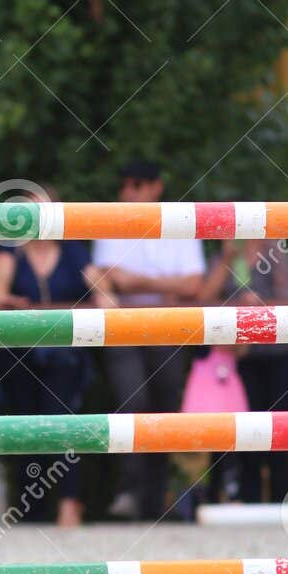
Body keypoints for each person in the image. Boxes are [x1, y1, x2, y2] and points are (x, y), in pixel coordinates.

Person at [88, 161, 205, 521]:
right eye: (124, 184)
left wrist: (135, 282)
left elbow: (193, 285)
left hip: (164, 327)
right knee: (133, 401)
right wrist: (163, 285)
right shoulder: (111, 221)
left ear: (156, 188)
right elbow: (108, 278)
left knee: (164, 411)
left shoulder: (180, 224)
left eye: (136, 184)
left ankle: (151, 501)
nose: (128, 192)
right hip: (127, 326)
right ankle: (128, 491)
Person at [0, 186, 94, 527]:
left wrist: (114, 312)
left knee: (63, 424)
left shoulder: (73, 250)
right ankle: (30, 509)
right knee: (24, 427)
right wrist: (9, 301)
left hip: (63, 351)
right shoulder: (9, 249)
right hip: (20, 350)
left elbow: (102, 288)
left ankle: (68, 504)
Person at [197, 238, 288, 503]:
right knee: (247, 430)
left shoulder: (276, 251)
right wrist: (227, 261)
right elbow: (205, 298)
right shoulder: (221, 259)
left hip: (282, 350)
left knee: (280, 428)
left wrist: (259, 304)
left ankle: (281, 498)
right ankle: (250, 498)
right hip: (242, 355)